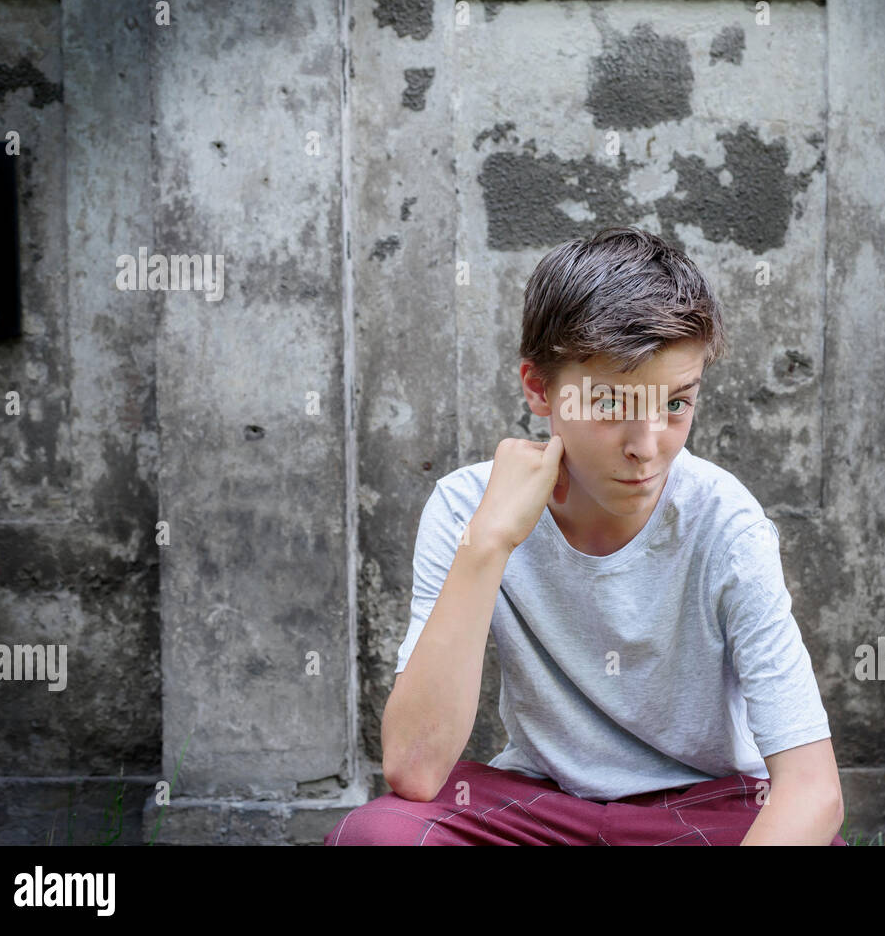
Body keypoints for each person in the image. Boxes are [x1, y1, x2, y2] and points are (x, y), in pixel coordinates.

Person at [326, 226, 847, 845]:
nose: (646, 448)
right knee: (377, 837)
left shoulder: (726, 523)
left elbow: (813, 788)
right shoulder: (468, 507)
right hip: (540, 806)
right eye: (611, 405)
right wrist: (489, 542)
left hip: (704, 809)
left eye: (676, 404)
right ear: (539, 389)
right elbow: (414, 769)